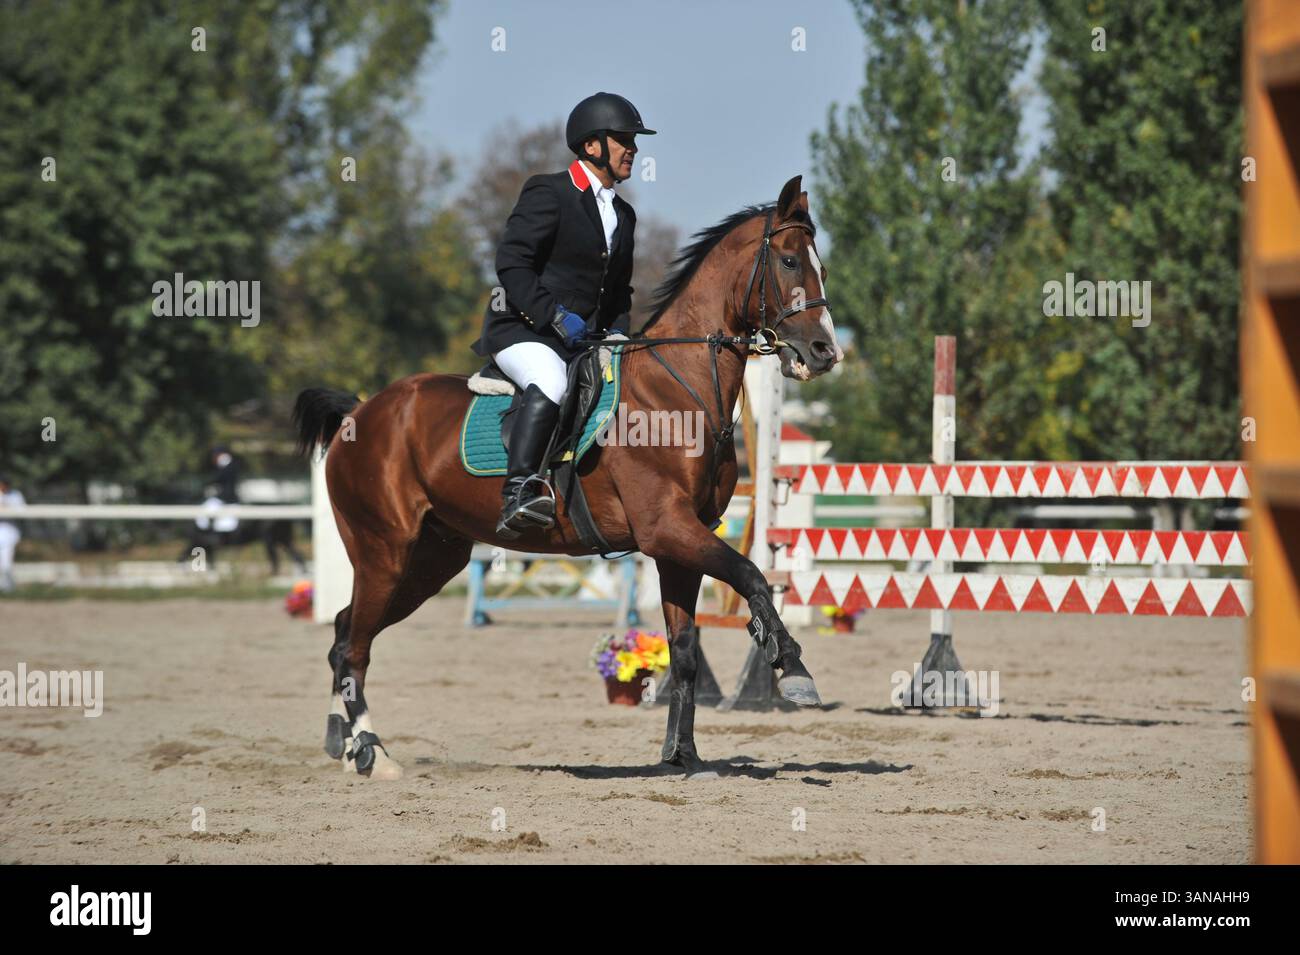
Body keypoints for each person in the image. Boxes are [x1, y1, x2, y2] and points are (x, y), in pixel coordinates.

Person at [471, 92, 654, 539]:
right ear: (592, 146)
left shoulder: (624, 215)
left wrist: (616, 333)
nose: (633, 148)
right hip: (525, 331)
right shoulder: (549, 191)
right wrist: (553, 316)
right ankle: (519, 491)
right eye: (624, 139)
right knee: (552, 380)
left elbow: (619, 292)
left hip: (585, 339)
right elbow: (512, 264)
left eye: (634, 140)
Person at [0, 476, 25, 592]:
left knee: (6, 559)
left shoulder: (15, 495)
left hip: (9, 530)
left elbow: (22, 511)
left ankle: (7, 586)